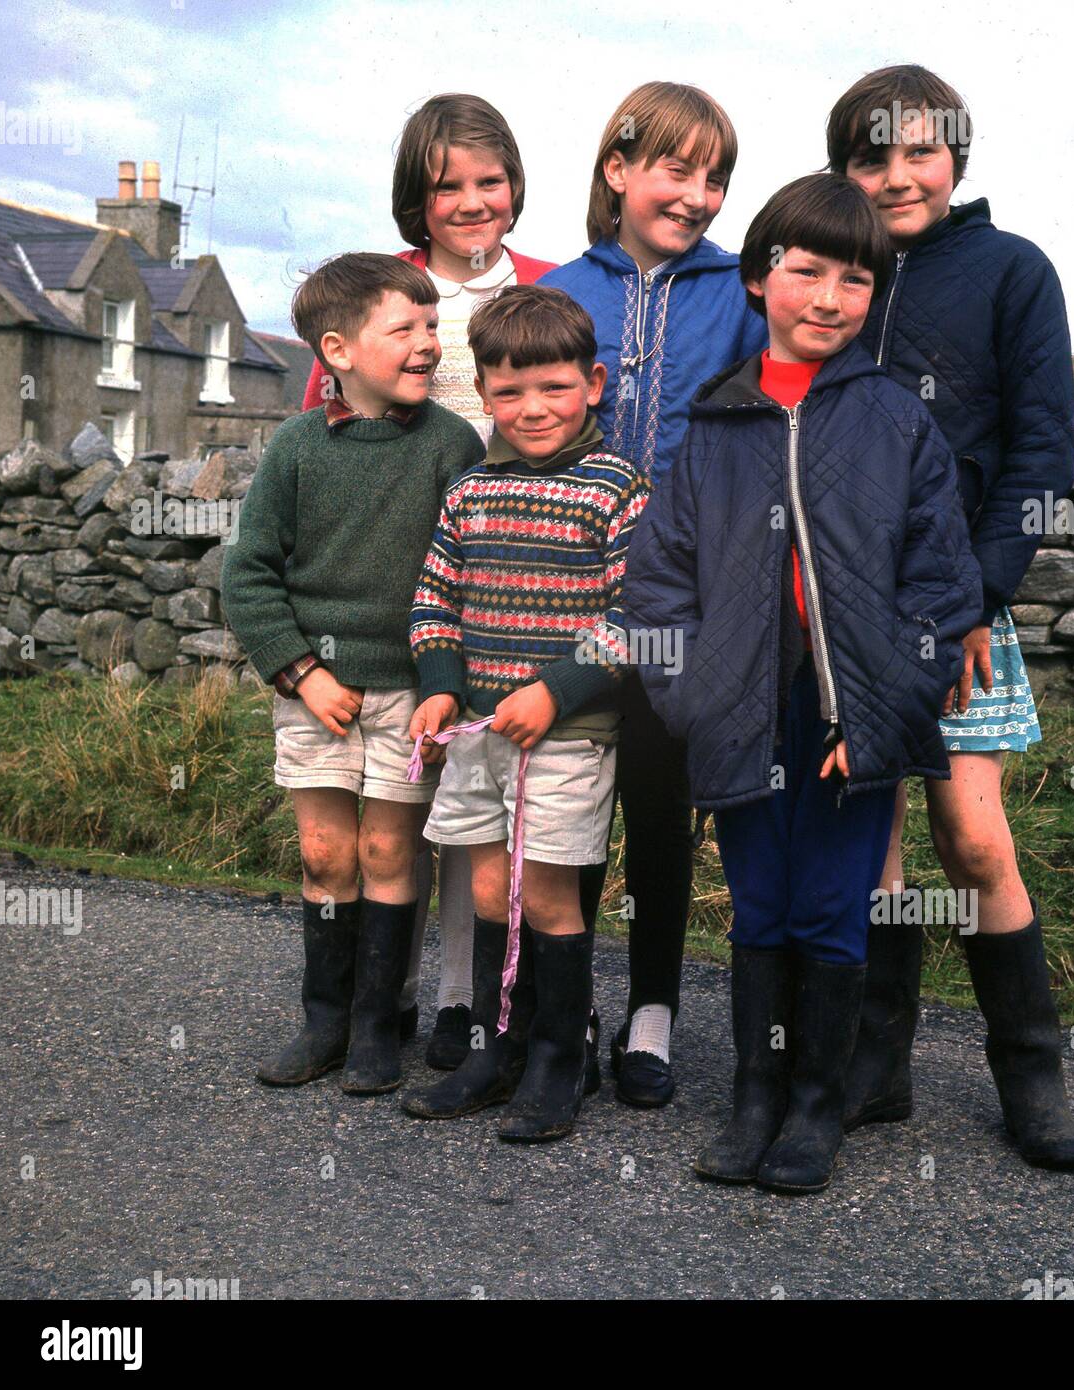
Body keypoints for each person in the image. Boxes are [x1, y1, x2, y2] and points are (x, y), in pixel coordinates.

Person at [623, 174, 983, 1193]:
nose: (828, 298)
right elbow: (657, 588)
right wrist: (694, 703)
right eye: (807, 271)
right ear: (756, 280)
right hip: (741, 709)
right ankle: (753, 1097)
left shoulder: (895, 422)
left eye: (854, 280)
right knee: (757, 908)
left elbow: (941, 584)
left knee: (830, 910)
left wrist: (876, 713)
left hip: (848, 718)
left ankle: (815, 1107)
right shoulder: (713, 426)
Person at [829, 63, 1074, 1170]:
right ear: (843, 167)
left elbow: (1041, 452)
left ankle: (1029, 1077)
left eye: (919, 152)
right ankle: (875, 1068)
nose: (897, 175)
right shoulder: (827, 271)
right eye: (871, 156)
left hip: (962, 611)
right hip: (843, 613)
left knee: (972, 838)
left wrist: (979, 593)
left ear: (957, 158)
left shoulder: (1011, 271)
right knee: (873, 846)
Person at [301, 93, 556, 1071]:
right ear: (417, 192)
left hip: (501, 574)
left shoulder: (541, 287)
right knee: (392, 808)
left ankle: (466, 998)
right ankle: (380, 1005)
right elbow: (337, 433)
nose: (469, 200)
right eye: (446, 183)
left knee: (479, 805)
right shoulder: (379, 292)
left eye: (488, 181)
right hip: (390, 582)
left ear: (513, 185)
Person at [540, 80, 767, 1106]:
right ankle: (564, 1006)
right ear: (618, 169)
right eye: (677, 168)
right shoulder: (558, 291)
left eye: (716, 175)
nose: (699, 194)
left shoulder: (739, 293)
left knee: (660, 811)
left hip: (686, 599)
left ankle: (654, 1012)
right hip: (570, 599)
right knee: (572, 813)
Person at [222, 253, 483, 1094]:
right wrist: (302, 674)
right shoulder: (297, 448)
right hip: (317, 691)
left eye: (432, 326)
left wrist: (446, 683)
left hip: (410, 692)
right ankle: (324, 1022)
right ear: (337, 349)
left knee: (386, 847)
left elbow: (466, 575)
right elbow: (250, 574)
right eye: (402, 329)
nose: (427, 344)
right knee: (328, 852)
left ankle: (378, 1025)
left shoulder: (453, 445)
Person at [402, 285, 649, 1142]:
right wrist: (438, 681)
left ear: (594, 382)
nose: (531, 408)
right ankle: (497, 1048)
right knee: (482, 886)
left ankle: (558, 1059)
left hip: (567, 736)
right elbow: (433, 599)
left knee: (545, 893)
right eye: (509, 393)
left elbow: (638, 616)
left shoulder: (615, 489)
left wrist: (554, 691)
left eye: (552, 387)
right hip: (475, 731)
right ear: (485, 395)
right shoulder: (471, 492)